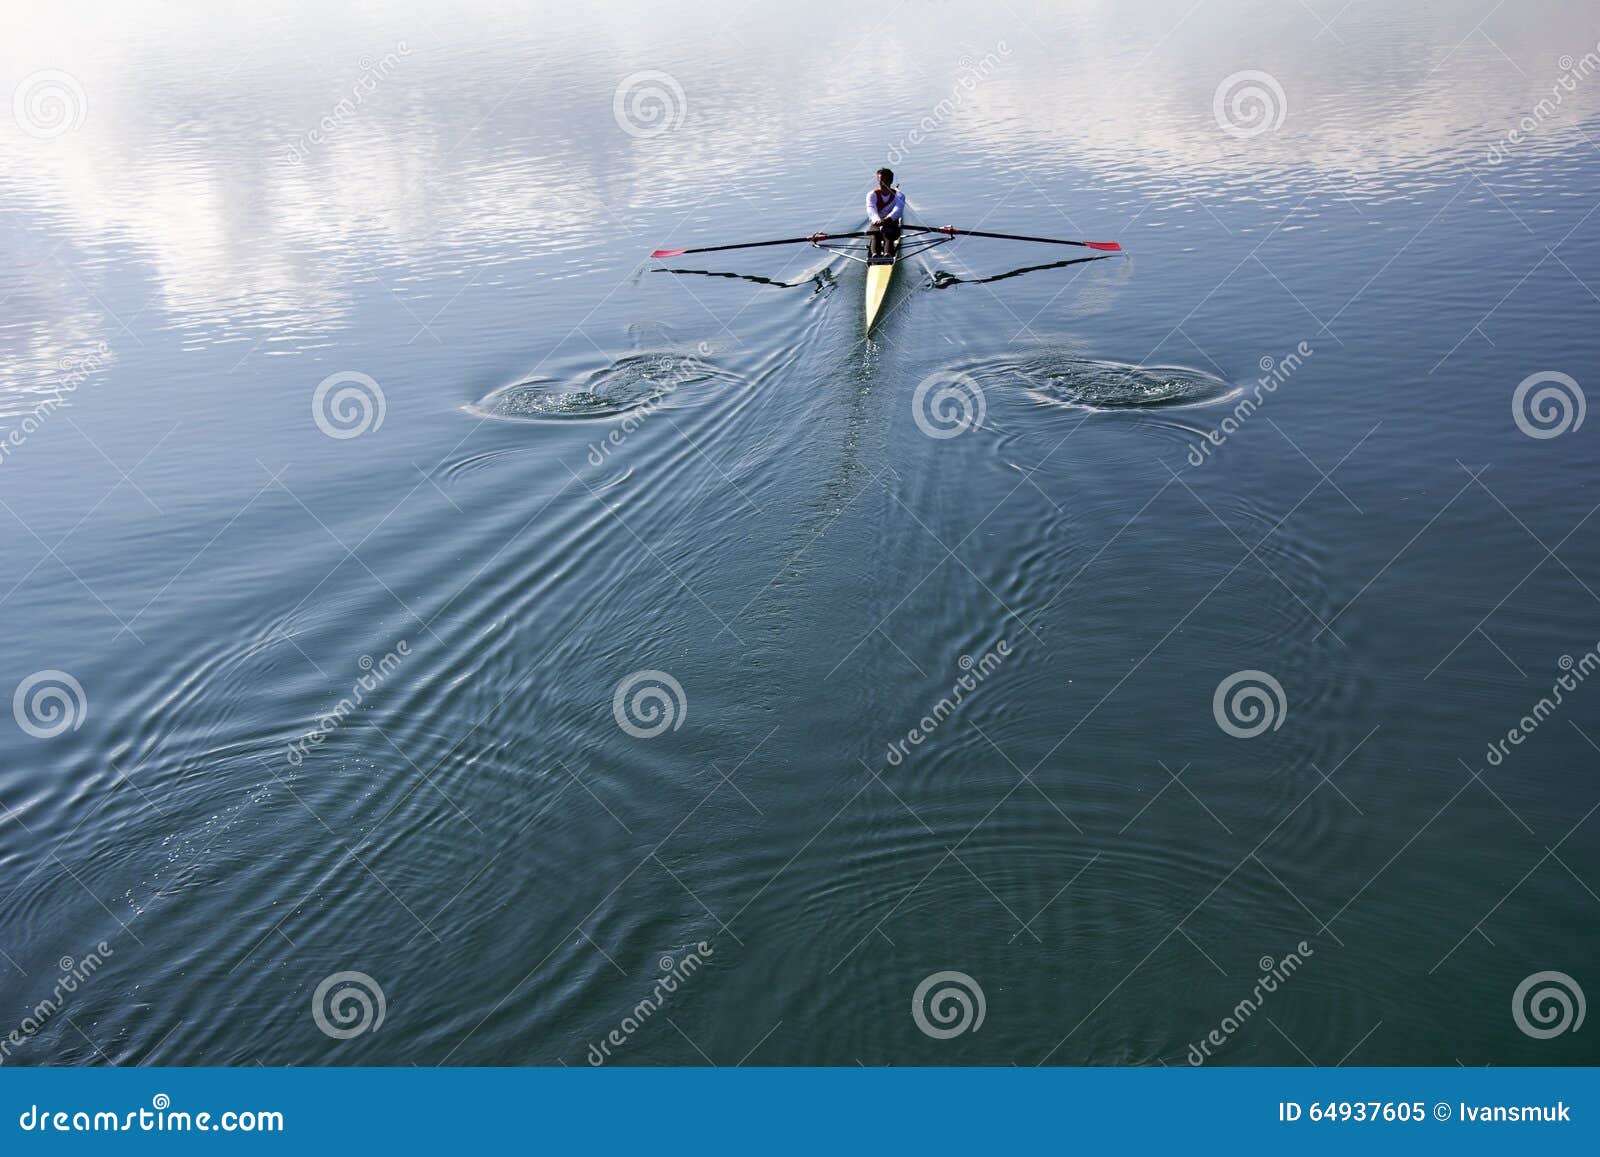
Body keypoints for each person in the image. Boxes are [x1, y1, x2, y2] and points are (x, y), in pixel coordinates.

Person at [866, 168, 904, 259]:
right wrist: (877, 220)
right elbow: (871, 208)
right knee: (875, 233)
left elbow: (898, 210)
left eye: (885, 181)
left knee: (888, 233)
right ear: (877, 180)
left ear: (891, 181)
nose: (882, 183)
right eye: (880, 181)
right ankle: (875, 256)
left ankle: (888, 255)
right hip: (877, 222)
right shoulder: (872, 194)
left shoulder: (899, 196)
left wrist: (887, 220)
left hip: (892, 222)